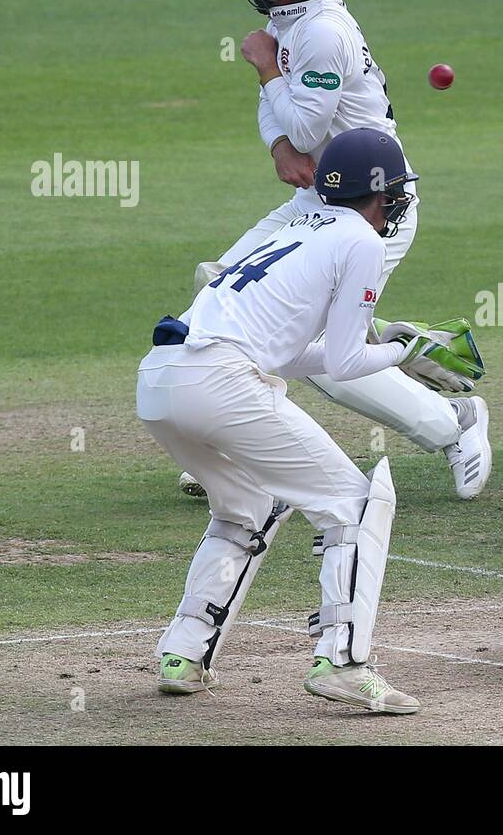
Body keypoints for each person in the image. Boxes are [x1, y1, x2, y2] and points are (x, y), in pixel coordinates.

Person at [137, 129, 470, 713]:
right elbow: (345, 363)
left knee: (249, 506)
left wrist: (393, 343)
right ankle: (342, 663)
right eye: (394, 194)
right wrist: (407, 349)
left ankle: (184, 653)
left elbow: (290, 354)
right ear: (381, 195)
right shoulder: (361, 241)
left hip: (162, 378)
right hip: (220, 379)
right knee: (354, 503)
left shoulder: (297, 226)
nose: (396, 204)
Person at [178, 0, 491, 502]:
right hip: (316, 200)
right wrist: (277, 144)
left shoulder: (320, 33)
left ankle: (455, 424)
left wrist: (265, 69)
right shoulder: (288, 22)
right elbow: (285, 126)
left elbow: (303, 123)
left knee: (319, 359)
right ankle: (236, 442)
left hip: (373, 207)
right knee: (218, 291)